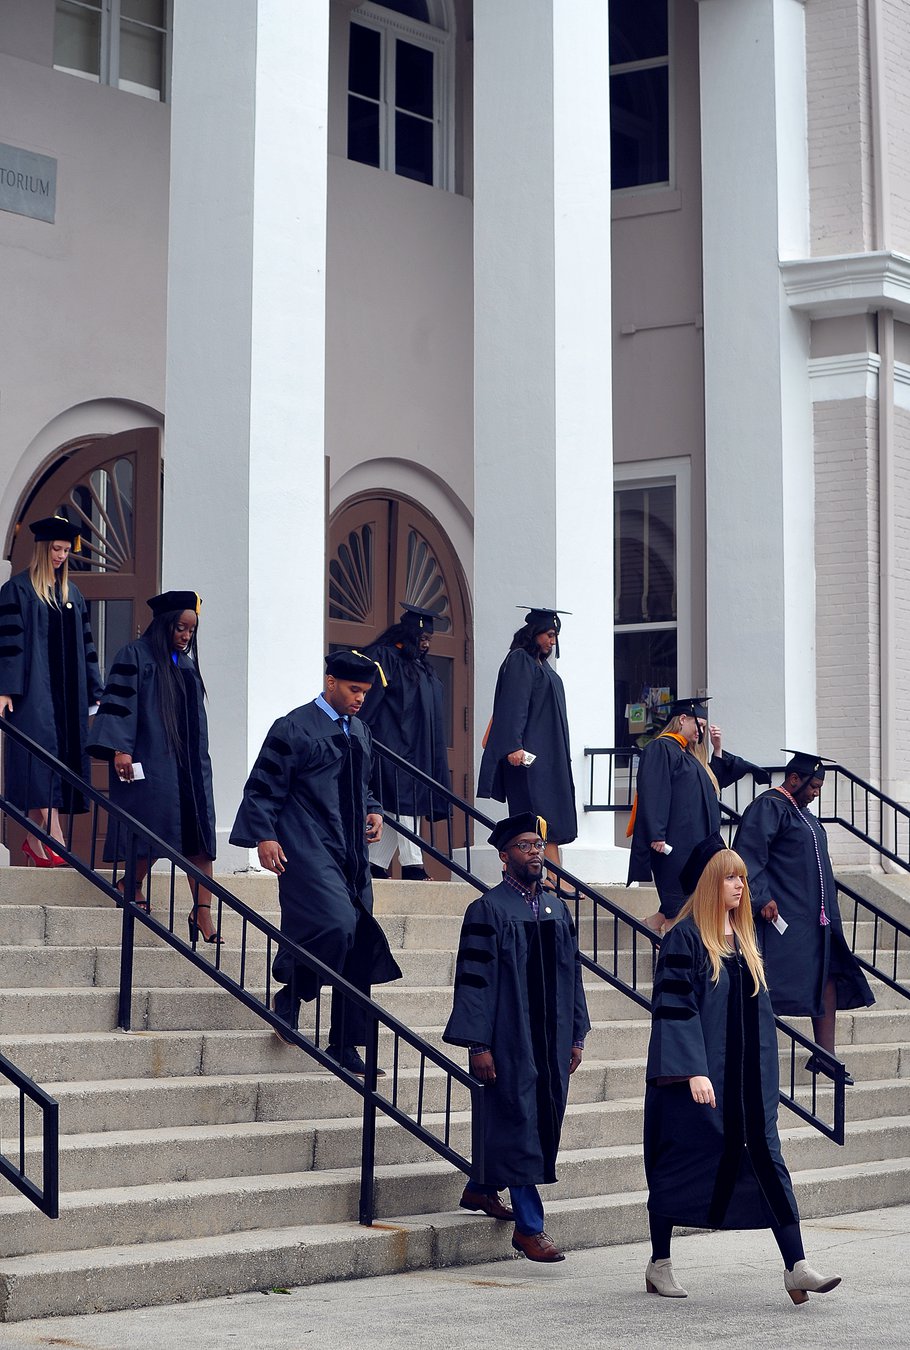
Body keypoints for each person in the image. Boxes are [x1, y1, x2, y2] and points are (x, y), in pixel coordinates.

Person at [644, 832, 842, 1304]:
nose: (740, 885)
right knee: (678, 1164)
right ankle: (659, 1263)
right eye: (730, 877)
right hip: (698, 1080)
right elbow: (675, 1007)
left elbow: (761, 1017)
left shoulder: (747, 941)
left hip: (749, 1083)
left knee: (770, 1162)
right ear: (710, 883)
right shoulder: (685, 938)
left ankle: (797, 1266)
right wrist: (692, 1070)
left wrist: (767, 1079)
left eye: (742, 877)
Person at [230, 649, 402, 1074]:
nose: (360, 698)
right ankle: (292, 994)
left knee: (358, 937)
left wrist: (374, 809)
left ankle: (344, 1042)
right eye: (353, 689)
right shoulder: (295, 727)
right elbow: (263, 786)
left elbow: (364, 784)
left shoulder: (360, 731)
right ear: (330, 682)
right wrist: (264, 835)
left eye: (365, 692)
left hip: (352, 851)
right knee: (335, 924)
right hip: (306, 844)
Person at [443, 811, 590, 1262]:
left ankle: (480, 1187)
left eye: (538, 846)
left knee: (535, 1121)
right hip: (509, 1038)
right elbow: (473, 982)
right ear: (505, 856)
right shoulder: (488, 910)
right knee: (519, 1121)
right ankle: (530, 1228)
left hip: (551, 1040)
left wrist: (577, 1034)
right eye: (524, 847)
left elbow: (572, 976)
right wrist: (479, 1045)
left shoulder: (556, 909)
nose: (535, 853)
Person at [733, 751, 874, 1082]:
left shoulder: (804, 814)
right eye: (813, 786)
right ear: (794, 779)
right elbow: (747, 856)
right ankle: (753, 1054)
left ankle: (826, 1056)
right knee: (769, 981)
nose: (816, 793)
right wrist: (760, 896)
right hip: (783, 917)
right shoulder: (769, 807)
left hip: (817, 919)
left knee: (827, 975)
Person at [87, 591, 219, 941]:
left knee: (199, 836)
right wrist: (120, 749)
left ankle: (202, 912)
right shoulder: (135, 654)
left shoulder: (185, 665)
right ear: (164, 624)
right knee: (154, 828)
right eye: (180, 628)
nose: (186, 636)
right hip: (152, 759)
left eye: (191, 630)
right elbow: (120, 704)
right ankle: (130, 883)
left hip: (191, 767)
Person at [0, 514, 103, 866]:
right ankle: (57, 839)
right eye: (56, 549)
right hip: (34, 694)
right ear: (43, 548)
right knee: (40, 762)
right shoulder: (17, 590)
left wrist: (95, 688)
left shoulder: (72, 594)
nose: (61, 555)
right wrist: (6, 689)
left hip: (69, 699)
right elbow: (8, 645)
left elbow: (87, 647)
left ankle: (34, 840)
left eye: (65, 550)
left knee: (60, 764)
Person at [626, 696, 770, 932]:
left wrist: (717, 749)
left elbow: (709, 784)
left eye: (704, 726)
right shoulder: (661, 748)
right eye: (699, 725)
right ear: (683, 719)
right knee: (678, 898)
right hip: (674, 842)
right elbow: (653, 790)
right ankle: (669, 940)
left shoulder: (688, 755)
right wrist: (656, 833)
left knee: (690, 895)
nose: (701, 731)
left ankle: (654, 924)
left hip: (697, 841)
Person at [477, 607, 576, 885]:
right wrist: (513, 746)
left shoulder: (541, 665)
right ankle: (555, 878)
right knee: (541, 816)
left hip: (549, 756)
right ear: (534, 633)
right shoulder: (520, 660)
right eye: (549, 634)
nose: (552, 641)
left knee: (552, 814)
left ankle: (554, 877)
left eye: (555, 636)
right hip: (528, 757)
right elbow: (513, 705)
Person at [359, 603, 450, 881]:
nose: (426, 644)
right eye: (422, 638)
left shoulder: (421, 667)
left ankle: (374, 865)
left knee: (396, 807)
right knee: (404, 802)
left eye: (429, 639)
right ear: (409, 634)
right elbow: (368, 704)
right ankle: (413, 866)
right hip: (392, 746)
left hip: (417, 749)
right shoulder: (384, 657)